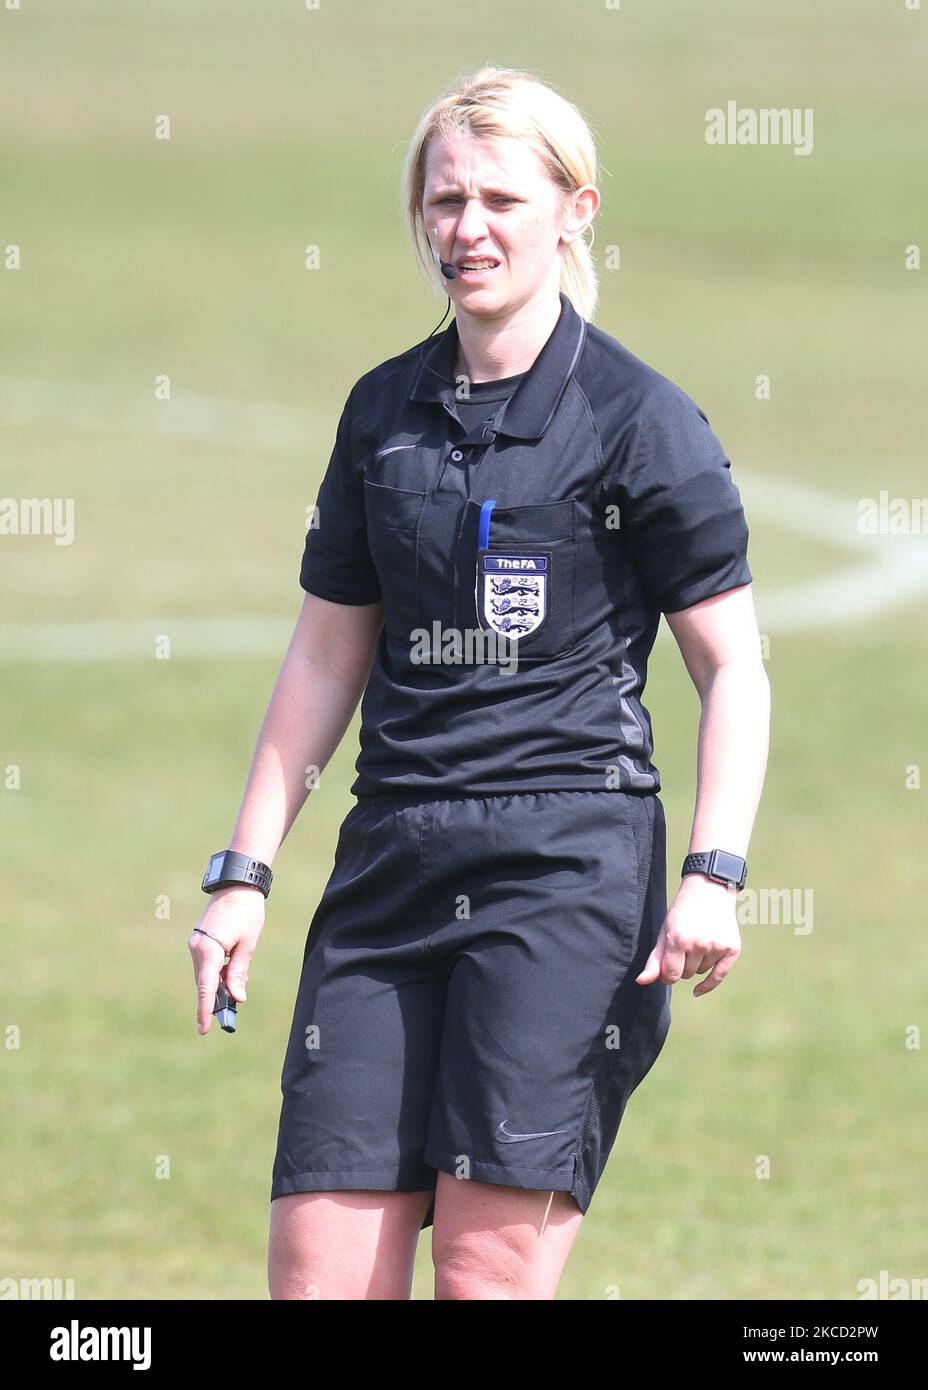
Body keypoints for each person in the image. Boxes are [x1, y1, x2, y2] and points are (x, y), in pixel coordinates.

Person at [188, 65, 770, 1301]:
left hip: (565, 872)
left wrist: (713, 874)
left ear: (576, 209)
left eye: (501, 198)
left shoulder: (639, 420)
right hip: (390, 863)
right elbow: (326, 651)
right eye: (445, 201)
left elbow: (733, 668)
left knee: (484, 1275)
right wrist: (243, 876)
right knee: (315, 1272)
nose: (468, 229)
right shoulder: (381, 412)